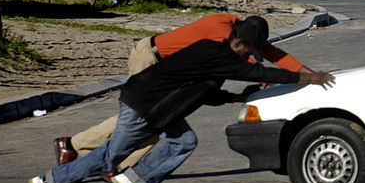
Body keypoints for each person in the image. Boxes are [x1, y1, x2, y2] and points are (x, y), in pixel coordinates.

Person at [29, 17, 336, 183]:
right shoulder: (220, 55)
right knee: (112, 156)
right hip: (144, 103)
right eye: (248, 51)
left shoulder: (218, 56)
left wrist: (234, 98)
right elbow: (258, 71)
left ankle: (135, 180)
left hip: (159, 106)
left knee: (185, 141)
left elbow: (205, 92)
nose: (249, 57)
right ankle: (50, 182)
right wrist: (307, 78)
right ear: (239, 42)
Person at [54, 14, 323, 169]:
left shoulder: (242, 33)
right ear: (238, 39)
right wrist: (272, 79)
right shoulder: (221, 35)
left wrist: (309, 75)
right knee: (145, 118)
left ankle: (111, 165)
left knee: (150, 121)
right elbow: (238, 67)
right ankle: (82, 150)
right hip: (151, 59)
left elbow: (273, 54)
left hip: (171, 70)